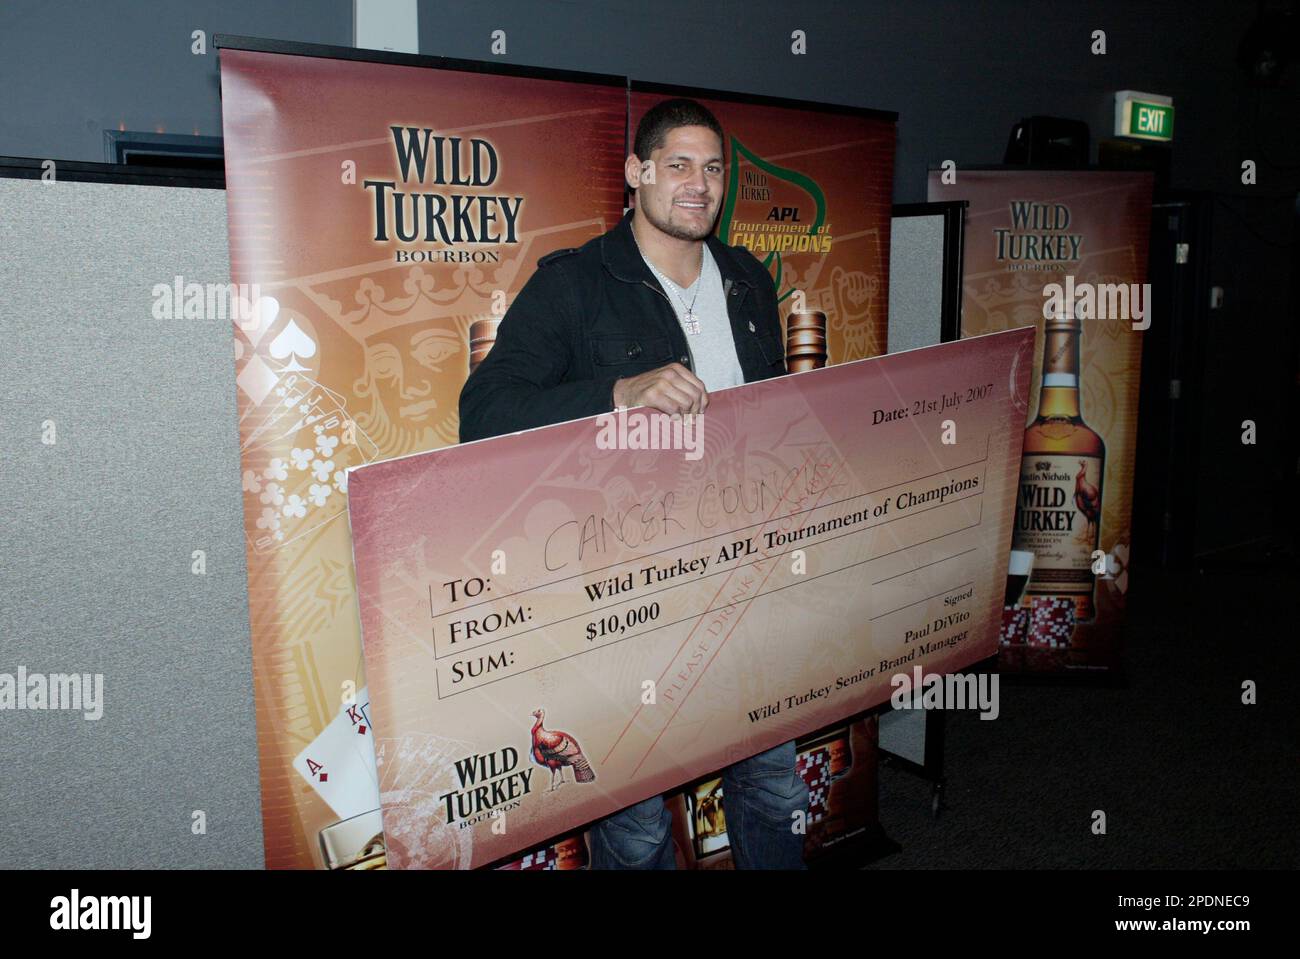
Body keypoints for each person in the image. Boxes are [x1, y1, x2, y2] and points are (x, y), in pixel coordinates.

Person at [459, 97, 809, 869]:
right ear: (636, 172)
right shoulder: (576, 284)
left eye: (713, 168)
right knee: (641, 825)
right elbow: (482, 411)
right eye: (678, 165)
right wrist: (616, 392)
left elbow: (774, 419)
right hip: (629, 602)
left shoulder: (749, 279)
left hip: (743, 582)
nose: (699, 184)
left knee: (776, 787)